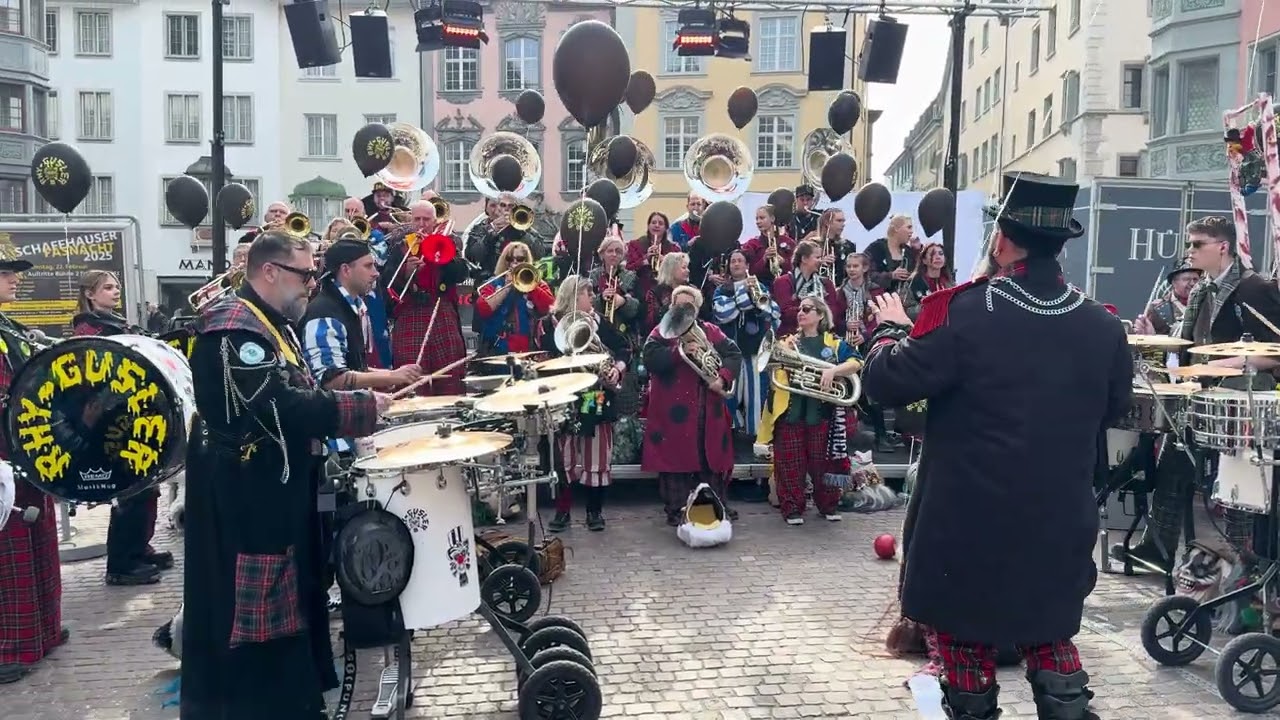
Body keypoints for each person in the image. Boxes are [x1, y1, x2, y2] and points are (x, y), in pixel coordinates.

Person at [862, 172, 1130, 720]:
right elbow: (1115, 409)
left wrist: (891, 330)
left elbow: (887, 382)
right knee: (1050, 637)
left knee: (964, 645)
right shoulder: (1102, 325)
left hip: (969, 525)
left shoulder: (962, 310)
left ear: (1002, 242)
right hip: (1057, 519)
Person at [180, 231, 389, 720]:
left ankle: (291, 697)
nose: (311, 284)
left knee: (287, 594)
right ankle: (261, 705)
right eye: (305, 274)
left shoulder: (269, 322)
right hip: (244, 499)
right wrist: (360, 408)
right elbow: (278, 404)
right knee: (259, 601)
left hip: (273, 488)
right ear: (270, 271)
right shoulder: (233, 328)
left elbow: (298, 387)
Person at [1122, 217, 1280, 564]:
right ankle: (1158, 546)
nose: (1190, 251)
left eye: (1197, 244)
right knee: (1174, 461)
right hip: (1203, 394)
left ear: (1222, 247)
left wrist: (1228, 364)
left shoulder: (1254, 287)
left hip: (1243, 397)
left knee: (1238, 483)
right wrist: (1152, 340)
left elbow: (1274, 349)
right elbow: (1187, 343)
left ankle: (1241, 560)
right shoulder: (1202, 289)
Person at [70, 270, 172, 586]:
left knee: (147, 485)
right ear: (90, 294)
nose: (116, 292)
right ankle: (121, 563)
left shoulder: (114, 323)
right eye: (108, 287)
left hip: (132, 412)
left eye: (117, 286)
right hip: (111, 418)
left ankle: (139, 547)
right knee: (128, 489)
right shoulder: (87, 330)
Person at [0, 255, 67, 684]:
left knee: (36, 532)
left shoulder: (10, 328)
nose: (12, 281)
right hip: (1, 453)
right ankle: (10, 644)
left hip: (21, 446)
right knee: (7, 548)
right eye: (4, 274)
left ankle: (38, 631)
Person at [534, 276, 630, 532]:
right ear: (574, 296)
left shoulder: (600, 322)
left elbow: (624, 348)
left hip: (594, 395)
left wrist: (617, 371)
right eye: (588, 293)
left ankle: (594, 512)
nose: (593, 298)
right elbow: (543, 355)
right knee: (563, 456)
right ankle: (562, 511)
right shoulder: (547, 323)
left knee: (595, 452)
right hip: (563, 395)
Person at [642, 285, 742, 526]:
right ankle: (677, 509)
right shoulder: (660, 332)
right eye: (679, 305)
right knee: (675, 461)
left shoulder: (710, 331)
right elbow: (650, 359)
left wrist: (723, 377)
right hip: (673, 410)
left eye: (688, 306)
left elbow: (733, 354)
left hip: (707, 408)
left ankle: (716, 505)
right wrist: (679, 352)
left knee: (710, 461)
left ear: (696, 309)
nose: (683, 310)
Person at [757, 296, 862, 524]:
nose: (801, 313)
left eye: (807, 309)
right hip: (790, 413)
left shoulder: (833, 343)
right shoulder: (787, 343)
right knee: (789, 465)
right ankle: (792, 508)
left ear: (821, 315)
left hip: (822, 416)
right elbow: (772, 368)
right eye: (799, 309)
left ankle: (828, 505)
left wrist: (833, 371)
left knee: (822, 464)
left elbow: (856, 361)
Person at [381, 201, 470, 396]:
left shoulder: (448, 240)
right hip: (411, 312)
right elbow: (386, 281)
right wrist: (406, 271)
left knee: (449, 373)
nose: (421, 224)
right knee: (410, 374)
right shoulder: (399, 245)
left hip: (441, 310)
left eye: (426, 219)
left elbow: (462, 272)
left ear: (434, 220)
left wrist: (439, 259)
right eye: (417, 219)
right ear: (411, 220)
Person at [712, 248, 780, 437]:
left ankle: (756, 434)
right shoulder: (721, 289)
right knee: (729, 393)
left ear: (747, 265)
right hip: (730, 350)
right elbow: (722, 313)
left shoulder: (759, 286)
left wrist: (753, 300)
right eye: (733, 261)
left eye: (740, 261)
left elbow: (772, 311)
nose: (736, 264)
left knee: (756, 395)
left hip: (754, 348)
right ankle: (729, 430)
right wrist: (743, 293)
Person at [475, 241, 555, 356]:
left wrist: (530, 284)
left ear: (526, 261)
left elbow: (550, 307)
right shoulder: (494, 283)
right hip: (499, 347)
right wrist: (506, 287)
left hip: (528, 348)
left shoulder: (536, 284)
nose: (514, 263)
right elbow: (483, 308)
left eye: (519, 259)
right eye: (510, 259)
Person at [771, 240, 845, 337]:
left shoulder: (827, 284)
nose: (821, 261)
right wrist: (814, 311)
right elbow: (786, 313)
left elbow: (834, 312)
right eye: (817, 257)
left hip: (822, 337)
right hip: (791, 337)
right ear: (804, 259)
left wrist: (811, 311)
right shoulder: (783, 282)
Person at [1135, 261, 1201, 336]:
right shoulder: (1156, 309)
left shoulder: (1206, 304)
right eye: (1186, 279)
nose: (1192, 283)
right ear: (1174, 282)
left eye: (1195, 279)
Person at [625, 211, 679, 301]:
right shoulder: (635, 244)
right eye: (653, 223)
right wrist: (646, 259)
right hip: (641, 290)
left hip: (665, 291)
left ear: (666, 228)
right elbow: (629, 268)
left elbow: (678, 271)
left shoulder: (673, 248)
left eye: (660, 223)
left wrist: (665, 260)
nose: (656, 225)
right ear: (648, 226)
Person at [741, 204, 795, 286]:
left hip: (785, 285)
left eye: (762, 218)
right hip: (762, 286)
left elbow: (797, 268)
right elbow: (749, 272)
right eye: (757, 218)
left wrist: (783, 262)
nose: (758, 222)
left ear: (772, 218)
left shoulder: (788, 242)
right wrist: (764, 259)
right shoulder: (751, 244)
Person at [864, 214, 919, 294]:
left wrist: (918, 250)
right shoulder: (876, 248)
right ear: (896, 228)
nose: (912, 231)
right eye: (909, 227)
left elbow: (919, 273)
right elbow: (866, 274)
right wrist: (891, 275)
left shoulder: (909, 252)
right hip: (879, 299)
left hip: (905, 301)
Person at [900, 242, 955, 321]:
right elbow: (906, 310)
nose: (938, 257)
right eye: (933, 254)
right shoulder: (913, 283)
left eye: (941, 254)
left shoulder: (950, 284)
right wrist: (927, 307)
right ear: (924, 260)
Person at [643, 252, 689, 338]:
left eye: (687, 267)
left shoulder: (691, 290)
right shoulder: (655, 292)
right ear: (671, 269)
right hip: (664, 337)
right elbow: (650, 322)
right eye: (684, 267)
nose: (688, 271)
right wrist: (672, 305)